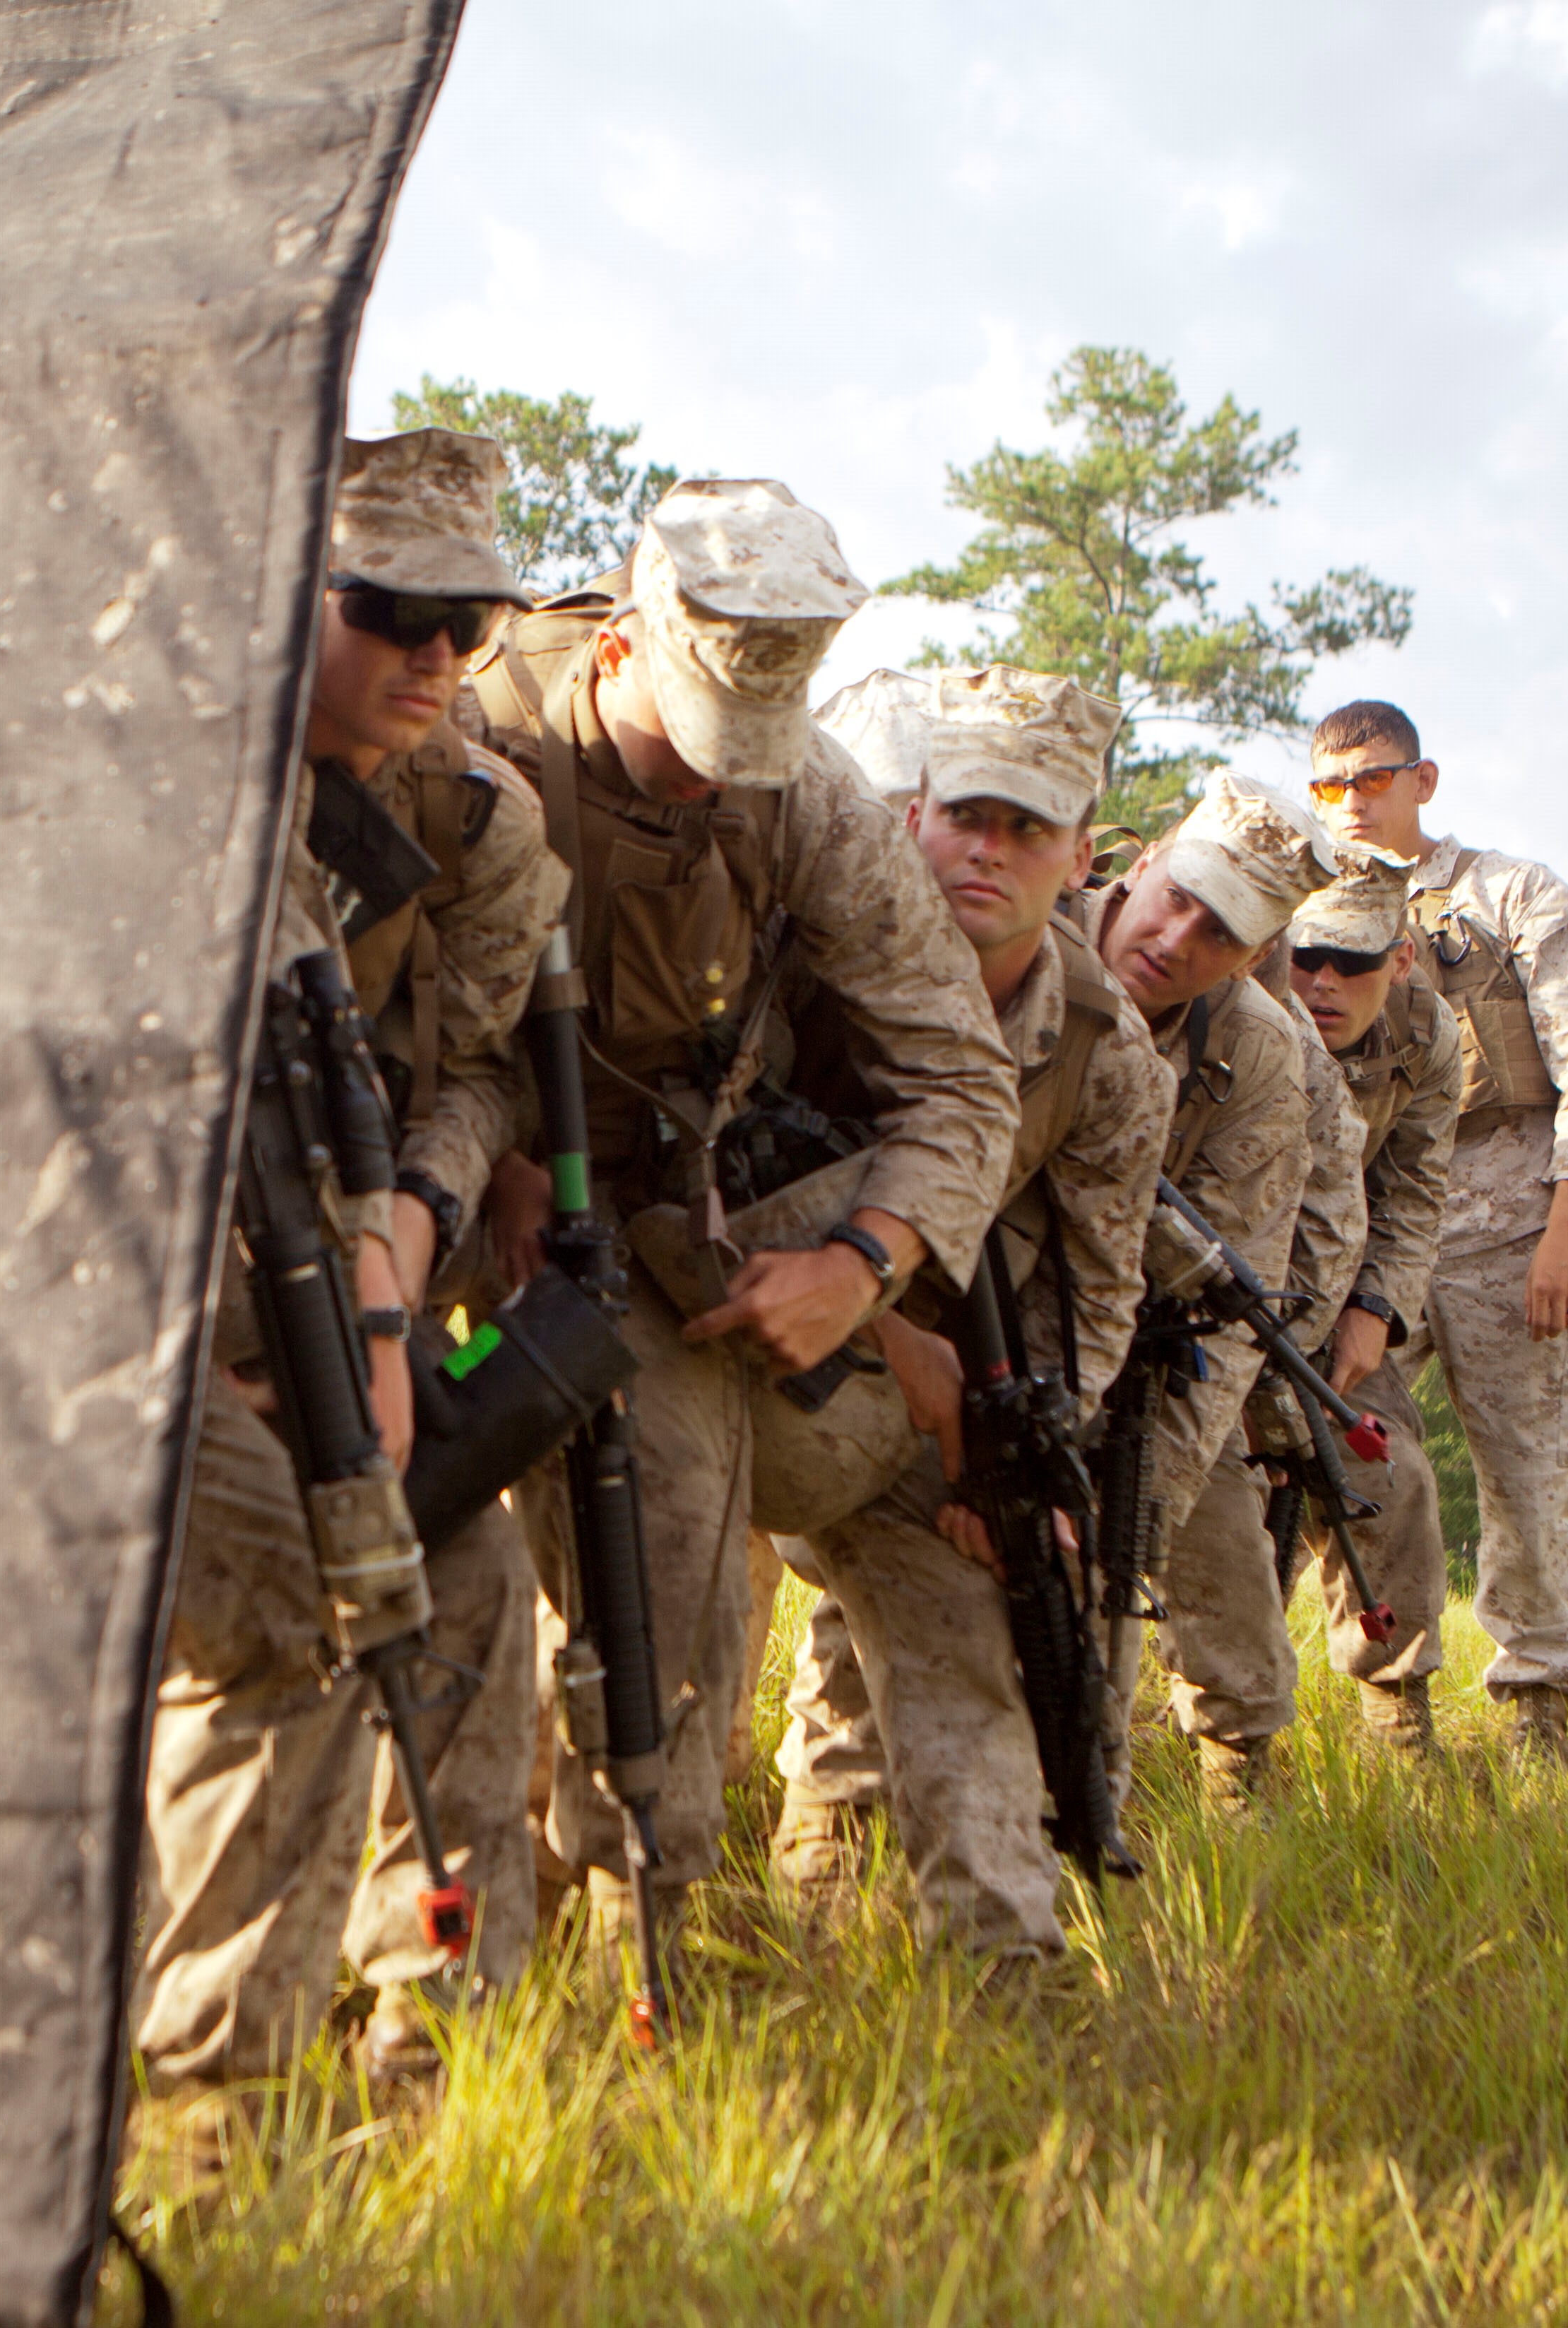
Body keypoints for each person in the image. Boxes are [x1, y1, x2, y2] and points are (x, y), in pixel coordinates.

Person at [467, 483, 1021, 1945]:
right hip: (449, 1195)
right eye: (690, 750)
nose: (717, 787)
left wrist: (864, 1263)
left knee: (677, 1582)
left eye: (748, 761)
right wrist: (492, 1153)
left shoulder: (807, 797)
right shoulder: (477, 732)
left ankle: (629, 1941)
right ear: (614, 654)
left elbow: (962, 1077)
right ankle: (449, 1958)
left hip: (673, 1219)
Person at [131, 430, 567, 2129]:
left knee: (457, 1560)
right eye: (391, 611)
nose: (437, 660)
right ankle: (203, 2103)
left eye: (467, 623)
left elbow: (428, 1085)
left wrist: (379, 1293)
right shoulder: (178, 789)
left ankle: (424, 2037)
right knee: (308, 1598)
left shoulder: (428, 815)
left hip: (306, 1292)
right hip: (119, 1326)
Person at [753, 668, 1175, 1952]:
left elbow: (1095, 1292)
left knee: (979, 1647)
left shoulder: (1108, 1058)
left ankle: (1003, 1985)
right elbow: (683, 1171)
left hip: (903, 1404)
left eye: (1027, 830)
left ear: (1080, 857)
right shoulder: (792, 947)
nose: (987, 854)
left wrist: (1010, 1459)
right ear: (914, 814)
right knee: (632, 1665)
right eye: (967, 818)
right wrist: (892, 1328)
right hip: (700, 1324)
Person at [1302, 700, 1568, 1761]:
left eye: (1369, 778)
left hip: (1510, 1214)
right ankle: (1392, 1719)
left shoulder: (1513, 897)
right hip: (1359, 1229)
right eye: (1328, 784)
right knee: (1358, 1464)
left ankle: (1538, 1722)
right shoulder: (1298, 907)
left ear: (1421, 779)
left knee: (1534, 1481)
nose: (1349, 800)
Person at [1065, 781, 1356, 1800]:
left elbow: (1238, 1302)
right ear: (1141, 863)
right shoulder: (1023, 926)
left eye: (1221, 932)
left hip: (1145, 1340)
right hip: (952, 1302)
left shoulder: (1261, 1051)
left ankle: (1236, 1797)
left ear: (1251, 956)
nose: (1177, 939)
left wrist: (1138, 1506)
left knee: (1199, 1546)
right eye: (1178, 896)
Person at [1159, 852, 1467, 1771]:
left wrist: (1374, 1312)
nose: (1324, 982)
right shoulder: (1229, 1006)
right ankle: (1206, 1739)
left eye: (1354, 964)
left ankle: (1400, 1730)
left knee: (1393, 1476)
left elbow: (1413, 1192)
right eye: (1308, 956)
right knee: (1225, 1506)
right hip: (1203, 1289)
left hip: (1330, 1299)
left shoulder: (1428, 1040)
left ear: (1401, 962)